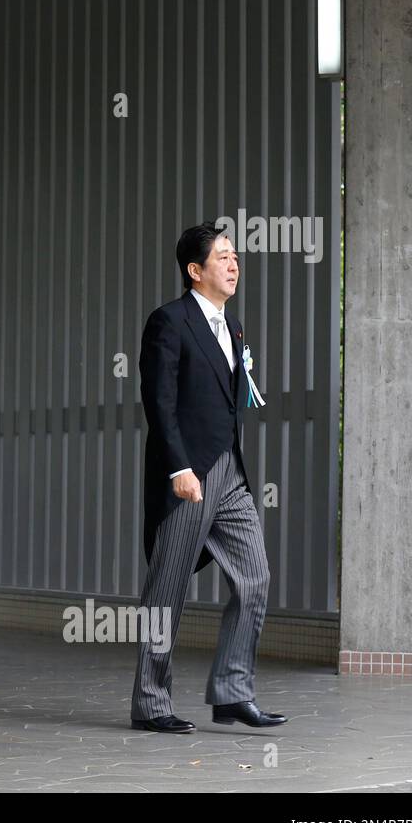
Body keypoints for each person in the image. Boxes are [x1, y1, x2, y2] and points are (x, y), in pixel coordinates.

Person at [130, 221, 286, 733]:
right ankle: (151, 703)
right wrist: (179, 467)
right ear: (195, 271)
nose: (234, 264)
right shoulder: (169, 322)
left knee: (255, 577)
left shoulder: (233, 327)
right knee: (167, 590)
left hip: (231, 472)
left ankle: (232, 692)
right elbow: (160, 401)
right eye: (222, 256)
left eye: (235, 256)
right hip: (188, 475)